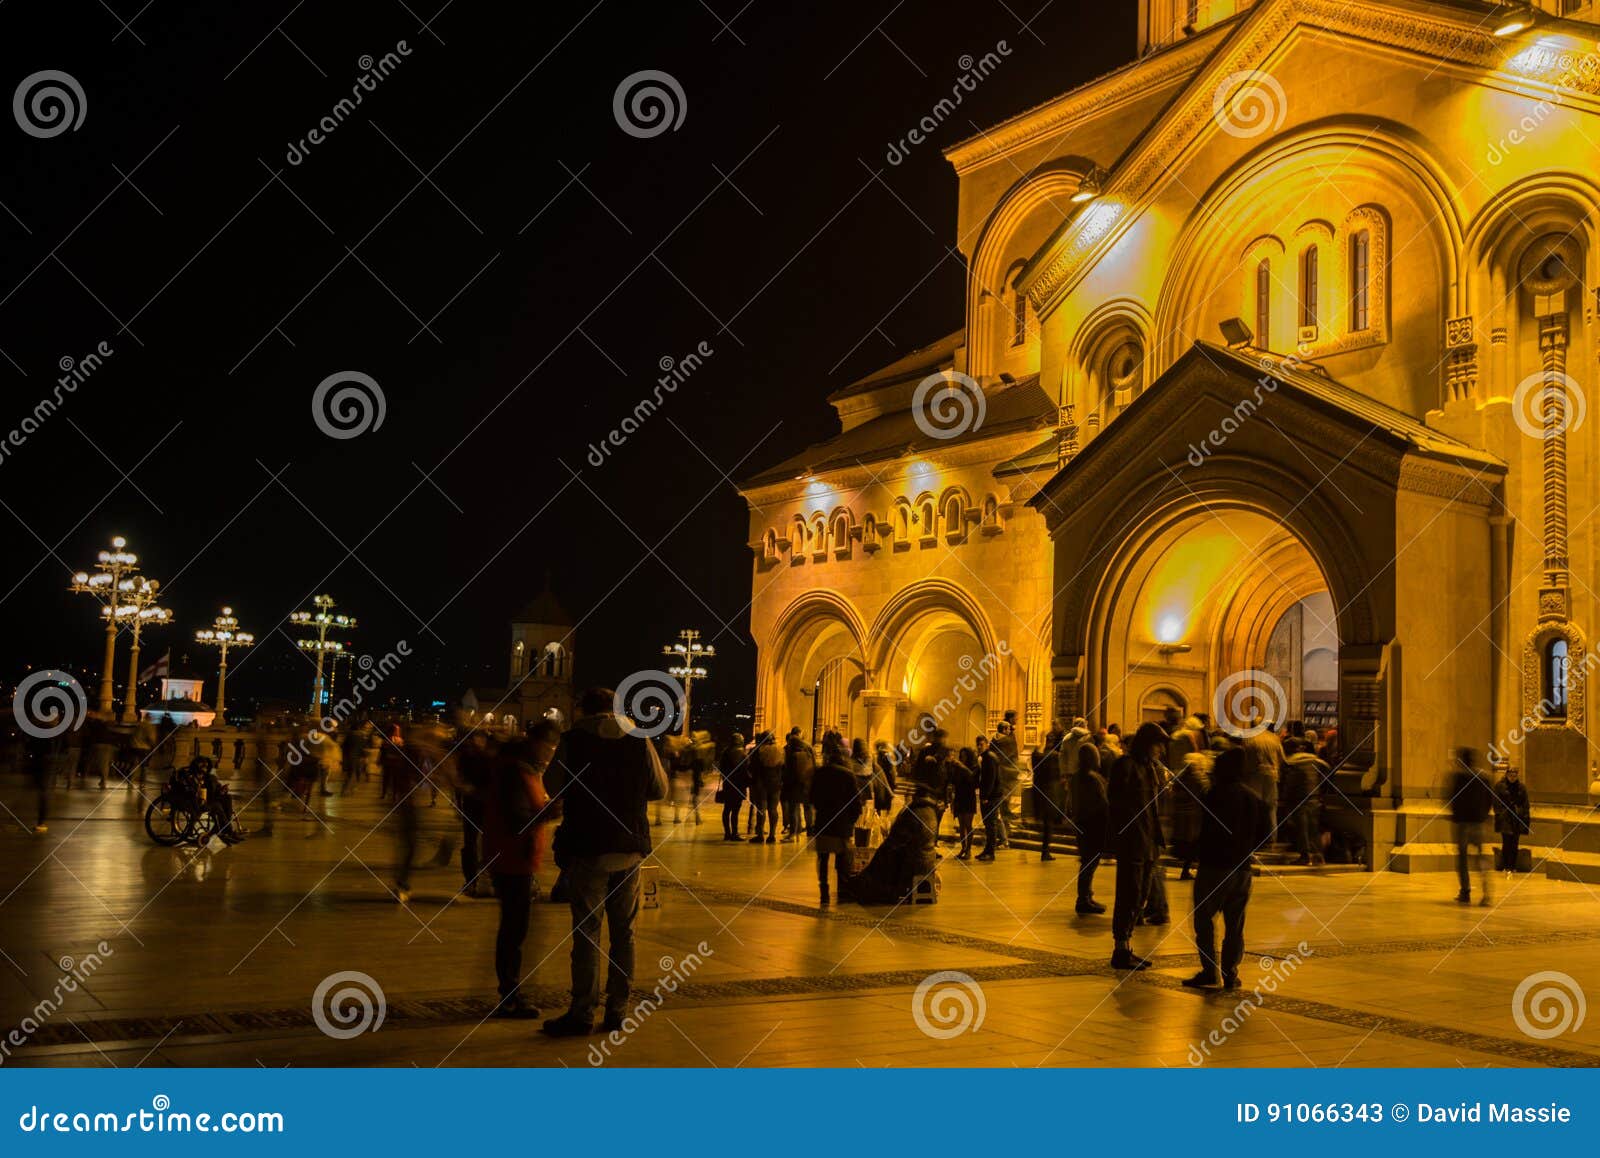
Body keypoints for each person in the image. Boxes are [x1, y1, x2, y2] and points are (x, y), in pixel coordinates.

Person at [542, 687, 669, 1037]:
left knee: (587, 933)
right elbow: (659, 789)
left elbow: (553, 785)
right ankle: (618, 1010)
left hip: (588, 848)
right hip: (629, 849)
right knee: (624, 933)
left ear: (583, 709)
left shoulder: (573, 740)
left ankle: (582, 1012)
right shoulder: (639, 738)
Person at [483, 720, 557, 1018]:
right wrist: (549, 812)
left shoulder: (523, 768)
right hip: (511, 860)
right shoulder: (515, 771)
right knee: (514, 931)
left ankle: (511, 991)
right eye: (549, 747)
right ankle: (510, 996)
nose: (550, 753)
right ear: (535, 743)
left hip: (518, 860)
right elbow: (517, 820)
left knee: (515, 929)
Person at [1183, 747, 1270, 990]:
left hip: (1214, 866)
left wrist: (1196, 852)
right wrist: (1246, 846)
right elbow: (1266, 834)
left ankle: (1209, 970)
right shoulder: (1253, 798)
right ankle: (1230, 972)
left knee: (1204, 920)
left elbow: (1205, 829)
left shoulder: (1214, 794)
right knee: (1235, 924)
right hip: (1241, 868)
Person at [1107, 722, 1168, 970]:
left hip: (1149, 841)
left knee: (1141, 894)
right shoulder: (1125, 765)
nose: (1160, 750)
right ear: (1146, 744)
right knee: (1128, 893)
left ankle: (1126, 944)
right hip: (1132, 841)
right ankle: (1120, 947)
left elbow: (1154, 806)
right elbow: (1116, 803)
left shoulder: (1150, 768)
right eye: (1157, 745)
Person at [810, 732, 863, 905]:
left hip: (824, 822)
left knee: (823, 858)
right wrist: (851, 821)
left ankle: (824, 889)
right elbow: (856, 803)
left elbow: (812, 797)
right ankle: (842, 888)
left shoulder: (820, 773)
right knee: (842, 858)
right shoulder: (848, 775)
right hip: (842, 824)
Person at [1450, 747, 1494, 906]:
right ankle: (1487, 893)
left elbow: (1453, 799)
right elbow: (1490, 799)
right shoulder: (1484, 777)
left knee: (1462, 859)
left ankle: (1465, 891)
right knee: (1481, 857)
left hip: (1463, 823)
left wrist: (1456, 816)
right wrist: (1483, 816)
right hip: (1479, 823)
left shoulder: (1459, 777)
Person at [1070, 729, 1108, 914]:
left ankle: (1086, 896)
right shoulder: (1093, 779)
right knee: (1090, 863)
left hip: (1081, 823)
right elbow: (1102, 802)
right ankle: (1083, 899)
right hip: (1093, 825)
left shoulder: (1076, 777)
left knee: (1087, 862)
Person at [1168, 717, 1211, 880]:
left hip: (1184, 819)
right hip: (1194, 819)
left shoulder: (1181, 778)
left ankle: (1186, 868)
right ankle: (1188, 869)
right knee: (1193, 843)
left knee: (1187, 843)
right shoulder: (1198, 777)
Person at [381, 725, 419, 902]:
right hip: (408, 805)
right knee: (409, 846)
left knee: (406, 846)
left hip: (404, 803)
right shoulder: (411, 755)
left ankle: (401, 882)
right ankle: (402, 884)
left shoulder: (399, 754)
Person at [455, 728, 495, 897]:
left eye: (480, 738)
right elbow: (459, 780)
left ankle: (487, 880)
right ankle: (471, 881)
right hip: (471, 805)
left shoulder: (490, 758)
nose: (477, 742)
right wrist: (459, 802)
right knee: (470, 844)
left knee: (487, 844)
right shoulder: (466, 757)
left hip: (486, 806)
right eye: (474, 739)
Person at [1280, 738, 1329, 866]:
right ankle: (1318, 855)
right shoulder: (1314, 759)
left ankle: (1305, 856)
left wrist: (1285, 798)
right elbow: (1327, 769)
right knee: (1313, 829)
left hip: (1299, 799)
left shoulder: (1292, 762)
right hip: (1314, 797)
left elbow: (1290, 783)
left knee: (1301, 829)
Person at [1035, 721, 1075, 862]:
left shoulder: (1038, 756)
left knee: (1047, 825)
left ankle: (1045, 851)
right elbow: (1058, 776)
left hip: (1042, 794)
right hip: (1050, 795)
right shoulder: (1054, 757)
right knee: (1048, 826)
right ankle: (1045, 851)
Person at [1493, 764, 1532, 874]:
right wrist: (1499, 813)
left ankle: (1512, 865)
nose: (1512, 778)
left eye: (1514, 775)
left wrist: (1524, 815)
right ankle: (1506, 865)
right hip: (1505, 817)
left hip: (1516, 817)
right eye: (1511, 775)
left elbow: (1525, 803)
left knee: (1515, 842)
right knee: (1506, 841)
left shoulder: (1521, 787)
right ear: (1507, 774)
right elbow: (1496, 801)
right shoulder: (1500, 786)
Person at [780, 726, 816, 841]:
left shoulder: (789, 750)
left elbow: (786, 769)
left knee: (793, 809)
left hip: (794, 784)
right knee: (808, 807)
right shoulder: (809, 748)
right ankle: (810, 830)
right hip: (807, 783)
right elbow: (814, 764)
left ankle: (794, 833)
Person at [748, 731, 783, 843]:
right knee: (773, 809)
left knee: (761, 809)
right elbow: (784, 768)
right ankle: (772, 835)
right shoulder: (780, 751)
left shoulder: (757, 751)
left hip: (761, 784)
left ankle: (760, 835)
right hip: (776, 784)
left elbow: (752, 768)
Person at [976, 733, 1004, 861]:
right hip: (991, 795)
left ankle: (990, 852)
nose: (979, 747)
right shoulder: (986, 757)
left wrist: (985, 796)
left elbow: (990, 779)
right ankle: (987, 850)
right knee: (988, 824)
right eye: (978, 745)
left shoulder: (989, 758)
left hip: (992, 796)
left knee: (991, 824)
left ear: (987, 744)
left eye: (981, 744)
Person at [718, 732, 749, 841]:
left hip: (728, 784)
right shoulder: (743, 754)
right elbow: (746, 770)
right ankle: (735, 833)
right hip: (739, 785)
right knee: (735, 811)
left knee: (727, 809)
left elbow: (721, 768)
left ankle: (727, 833)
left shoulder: (725, 752)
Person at [950, 746, 979, 859]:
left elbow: (973, 779)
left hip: (969, 797)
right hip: (959, 796)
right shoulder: (958, 767)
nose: (962, 758)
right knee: (961, 826)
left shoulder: (974, 767)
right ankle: (963, 848)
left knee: (968, 824)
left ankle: (968, 850)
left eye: (965, 756)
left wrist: (962, 767)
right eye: (961, 756)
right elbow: (953, 781)